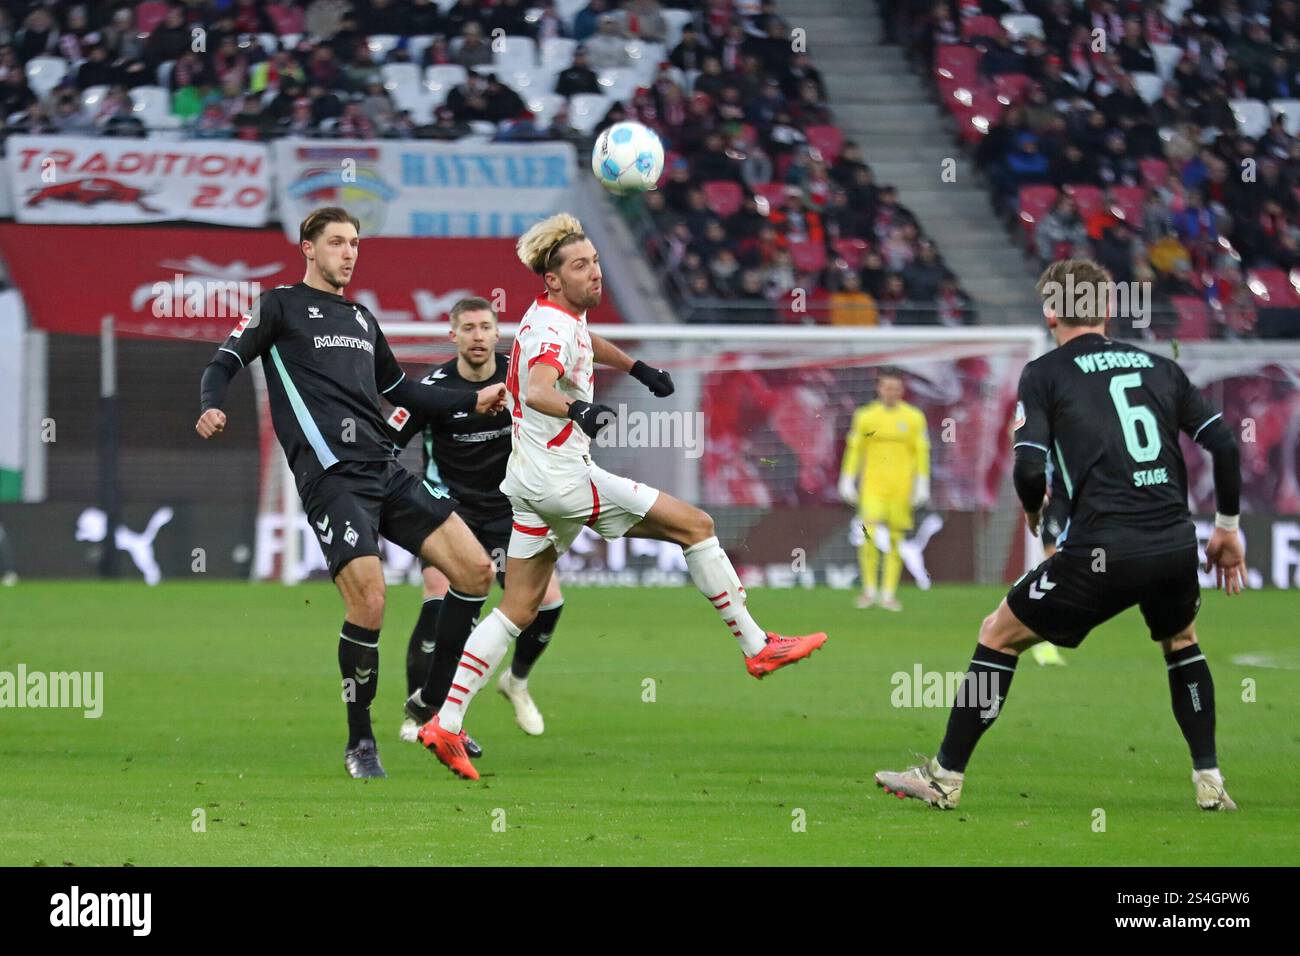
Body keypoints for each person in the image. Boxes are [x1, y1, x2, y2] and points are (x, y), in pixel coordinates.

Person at [413, 213, 828, 780]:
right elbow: (538, 386)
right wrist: (577, 407)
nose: (595, 273)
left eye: (596, 262)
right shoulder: (555, 331)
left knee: (518, 608)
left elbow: (586, 341)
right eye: (580, 265)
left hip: (529, 481)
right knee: (697, 526)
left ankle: (446, 720)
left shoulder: (551, 316)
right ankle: (756, 645)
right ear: (554, 279)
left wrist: (638, 368)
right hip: (562, 478)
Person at [875, 258, 1245, 812]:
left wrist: (1032, 511)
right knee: (1181, 641)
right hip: (1173, 544)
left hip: (1103, 549)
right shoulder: (1160, 368)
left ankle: (945, 777)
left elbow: (1029, 469)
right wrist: (1227, 530)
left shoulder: (1045, 373)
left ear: (1051, 311)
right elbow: (1227, 446)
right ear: (1110, 309)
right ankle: (1210, 781)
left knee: (998, 633)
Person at [195, 207, 507, 779]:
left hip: (383, 469)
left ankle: (435, 710)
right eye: (337, 242)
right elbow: (224, 361)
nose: (349, 252)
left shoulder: (363, 318)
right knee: (370, 601)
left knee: (476, 571)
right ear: (308, 248)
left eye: (355, 243)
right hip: (331, 478)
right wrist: (211, 403)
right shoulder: (279, 306)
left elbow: (403, 390)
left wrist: (474, 398)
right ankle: (360, 741)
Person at [389, 297, 562, 742]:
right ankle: (419, 710)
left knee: (547, 603)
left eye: (486, 327)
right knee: (437, 595)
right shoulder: (432, 389)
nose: (478, 335)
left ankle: (516, 682)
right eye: (468, 328)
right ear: (453, 335)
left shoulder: (521, 379)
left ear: (497, 332)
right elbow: (385, 442)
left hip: (510, 509)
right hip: (450, 510)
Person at [838, 370, 931, 611]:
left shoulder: (913, 417)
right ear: (879, 389)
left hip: (901, 488)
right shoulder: (866, 416)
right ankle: (869, 591)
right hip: (873, 487)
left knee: (896, 540)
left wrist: (922, 482)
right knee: (867, 535)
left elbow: (921, 451)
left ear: (902, 391)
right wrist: (847, 478)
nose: (892, 392)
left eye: (896, 388)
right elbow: (855, 448)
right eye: (888, 387)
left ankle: (888, 593)